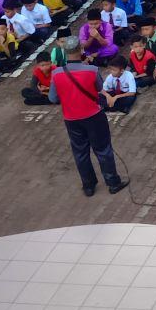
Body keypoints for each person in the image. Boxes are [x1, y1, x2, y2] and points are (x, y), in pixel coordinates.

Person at [48, 36, 128, 196]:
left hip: (71, 118)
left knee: (80, 152)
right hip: (93, 115)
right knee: (103, 149)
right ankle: (113, 182)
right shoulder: (91, 70)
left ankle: (89, 186)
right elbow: (99, 87)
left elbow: (53, 98)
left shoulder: (56, 73)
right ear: (80, 50)